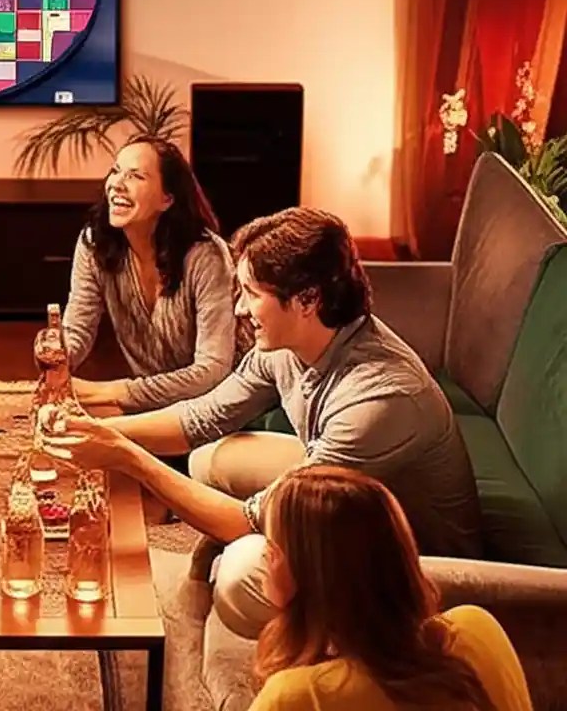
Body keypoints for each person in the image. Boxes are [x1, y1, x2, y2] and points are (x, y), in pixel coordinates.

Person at [42, 207, 483, 638]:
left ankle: (326, 655)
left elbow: (247, 522)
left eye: (252, 293)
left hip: (408, 562)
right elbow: (204, 416)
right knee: (212, 459)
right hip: (350, 509)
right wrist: (90, 428)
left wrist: (126, 458)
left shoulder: (381, 400)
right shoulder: (291, 344)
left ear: (308, 299)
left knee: (242, 575)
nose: (238, 309)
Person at [248, 466, 530, 710]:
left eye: (272, 548)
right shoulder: (477, 627)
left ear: (313, 575)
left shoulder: (296, 697)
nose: (263, 556)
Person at [63, 135, 243, 412]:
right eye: (115, 170)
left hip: (218, 406)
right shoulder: (95, 243)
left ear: (167, 198)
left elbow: (213, 370)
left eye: (135, 176)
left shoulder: (206, 256)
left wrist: (114, 390)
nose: (117, 184)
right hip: (151, 404)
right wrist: (57, 352)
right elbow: (78, 330)